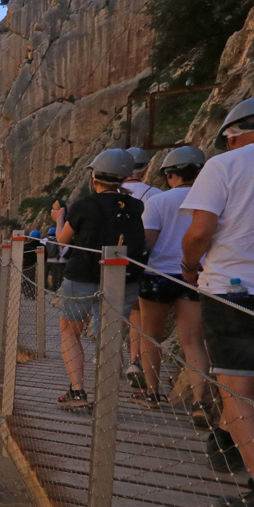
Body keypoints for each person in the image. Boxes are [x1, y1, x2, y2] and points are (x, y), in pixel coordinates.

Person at [181, 96, 254, 507]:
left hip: (233, 292)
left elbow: (200, 232)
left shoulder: (224, 165)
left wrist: (188, 266)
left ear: (232, 134)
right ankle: (230, 445)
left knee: (236, 389)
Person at [51, 149, 148, 409]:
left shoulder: (84, 205)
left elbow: (62, 240)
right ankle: (107, 395)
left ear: (94, 179)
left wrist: (59, 219)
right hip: (124, 278)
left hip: (83, 275)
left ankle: (78, 391)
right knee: (110, 333)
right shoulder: (136, 206)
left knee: (70, 331)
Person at [132, 146, 213, 429]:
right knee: (193, 341)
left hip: (156, 275)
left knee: (150, 337)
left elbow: (147, 242)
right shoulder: (211, 200)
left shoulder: (158, 202)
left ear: (170, 175)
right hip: (194, 276)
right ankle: (200, 402)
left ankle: (152, 394)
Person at [122, 147, 162, 387]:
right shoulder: (156, 195)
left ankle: (112, 359)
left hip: (116, 262)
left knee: (124, 314)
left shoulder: (114, 193)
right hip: (149, 264)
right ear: (147, 169)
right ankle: (137, 361)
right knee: (143, 318)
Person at [22, 230, 42, 298]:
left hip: (26, 265)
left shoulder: (25, 246)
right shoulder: (42, 246)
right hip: (39, 265)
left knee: (26, 280)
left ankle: (28, 293)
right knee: (36, 280)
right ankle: (36, 293)